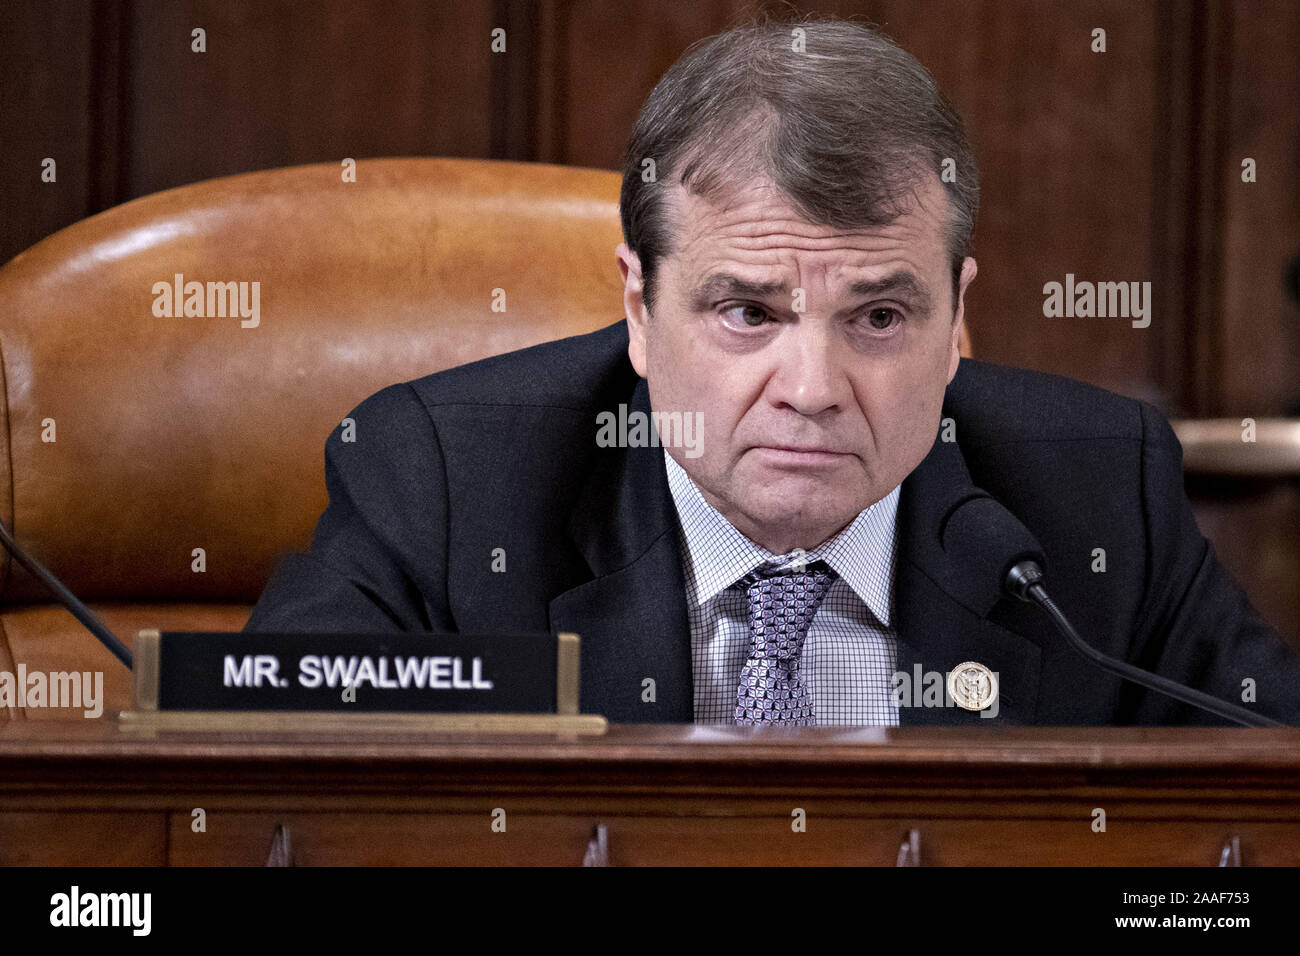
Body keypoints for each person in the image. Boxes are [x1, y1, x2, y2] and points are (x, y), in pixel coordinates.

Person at [245, 16, 1300, 726]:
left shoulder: (1096, 494)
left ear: (957, 317)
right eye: (748, 311)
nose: (812, 385)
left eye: (878, 314)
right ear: (639, 313)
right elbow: (263, 798)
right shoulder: (443, 481)